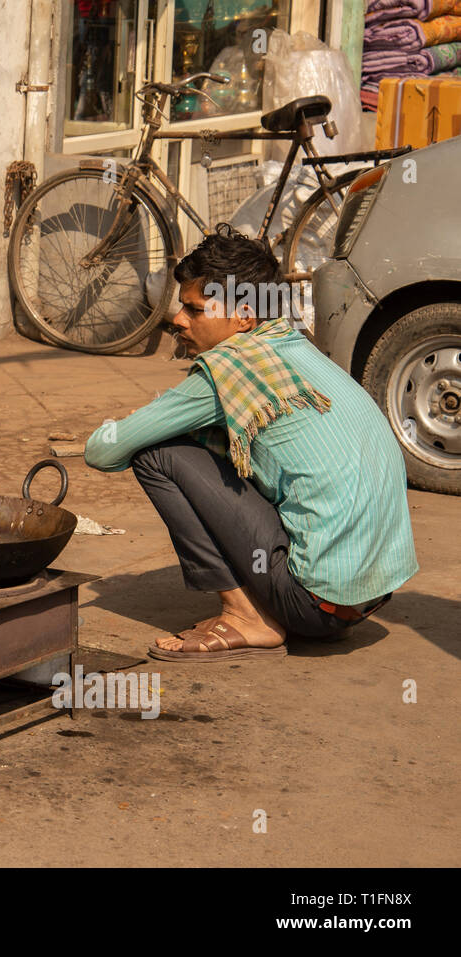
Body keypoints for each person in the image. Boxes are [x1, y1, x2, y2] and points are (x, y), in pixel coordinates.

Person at [84, 224, 417, 661]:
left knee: (157, 454)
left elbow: (101, 450)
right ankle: (275, 600)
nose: (178, 320)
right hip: (366, 600)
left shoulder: (229, 367)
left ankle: (245, 616)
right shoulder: (292, 344)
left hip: (314, 609)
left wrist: (139, 423)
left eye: (194, 309)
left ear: (243, 316)